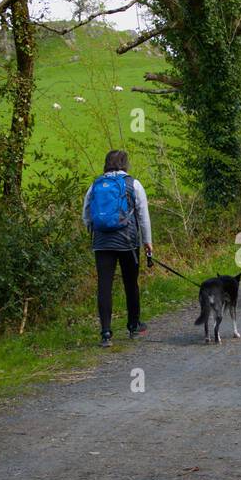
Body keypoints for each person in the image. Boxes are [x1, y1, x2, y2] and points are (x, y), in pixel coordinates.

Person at [82, 149, 153, 347]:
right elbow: (143, 217)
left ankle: (105, 333)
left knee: (104, 286)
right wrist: (147, 242)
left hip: (102, 243)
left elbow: (86, 213)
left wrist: (92, 229)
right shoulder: (133, 184)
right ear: (125, 164)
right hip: (127, 242)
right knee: (131, 283)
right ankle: (133, 325)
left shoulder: (96, 184)